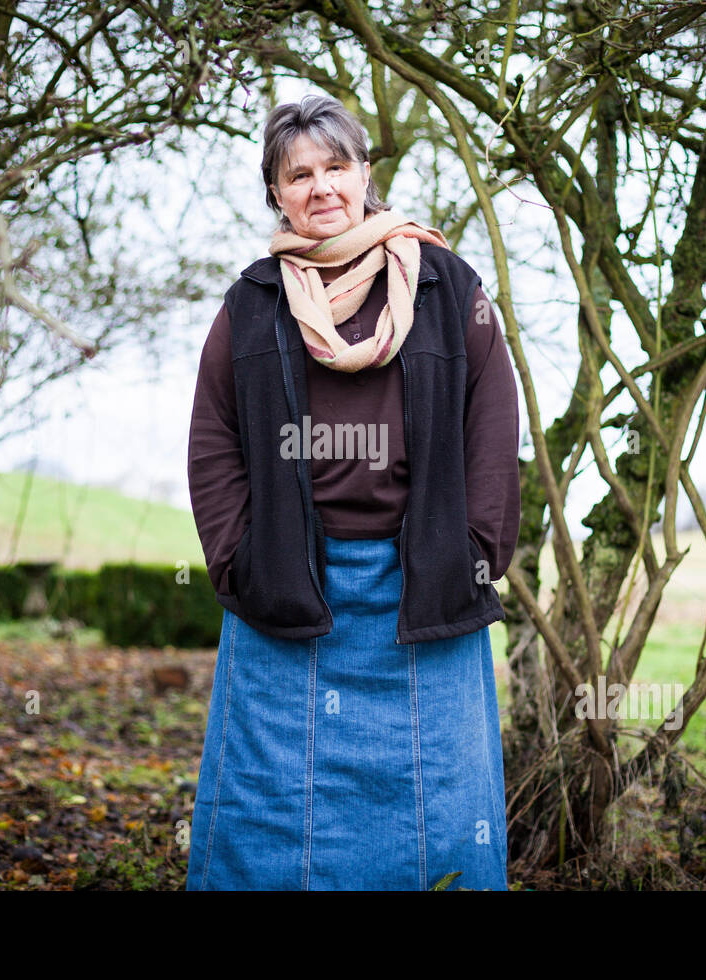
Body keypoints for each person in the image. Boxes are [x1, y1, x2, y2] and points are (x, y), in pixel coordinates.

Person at [184, 93, 520, 890]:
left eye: (337, 166)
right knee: (268, 815)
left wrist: (471, 553)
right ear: (277, 193)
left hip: (425, 591)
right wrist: (240, 562)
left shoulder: (446, 285)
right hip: (286, 599)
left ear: (365, 173)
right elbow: (212, 442)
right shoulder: (252, 305)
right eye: (299, 174)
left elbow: (493, 425)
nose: (321, 187)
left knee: (442, 814)